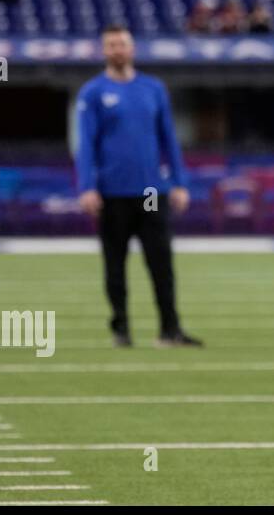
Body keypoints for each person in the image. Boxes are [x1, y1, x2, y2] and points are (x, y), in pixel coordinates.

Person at [74, 24, 202, 348]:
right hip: (112, 193)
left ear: (132, 48)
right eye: (112, 45)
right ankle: (121, 329)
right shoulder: (93, 92)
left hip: (150, 193)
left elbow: (169, 139)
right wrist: (87, 186)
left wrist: (179, 182)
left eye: (123, 44)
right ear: (104, 51)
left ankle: (170, 330)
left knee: (161, 263)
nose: (118, 50)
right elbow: (86, 144)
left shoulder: (153, 88)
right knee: (115, 265)